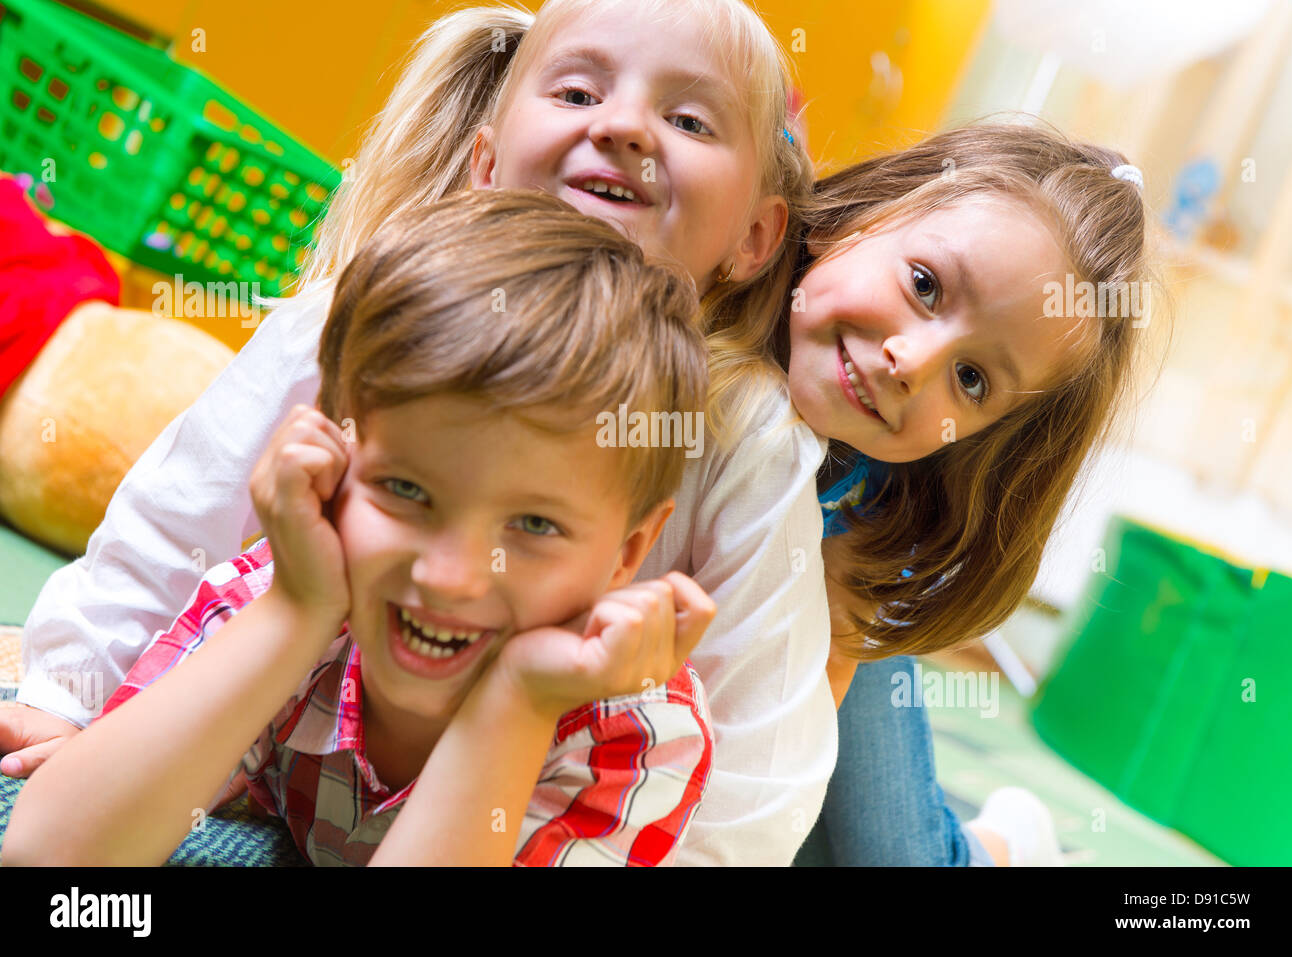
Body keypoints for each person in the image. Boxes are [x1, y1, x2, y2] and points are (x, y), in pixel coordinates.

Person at [1, 0, 837, 866]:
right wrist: (72, 694)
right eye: (580, 92)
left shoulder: (743, 440)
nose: (624, 126)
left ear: (757, 234)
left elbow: (760, 746)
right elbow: (176, 519)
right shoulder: (347, 365)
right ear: (485, 161)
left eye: (689, 118)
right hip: (305, 744)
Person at [2, 189, 718, 866]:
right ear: (335, 465)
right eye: (406, 489)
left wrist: (519, 702)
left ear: (628, 552)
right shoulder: (295, 582)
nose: (451, 575)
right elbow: (47, 856)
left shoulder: (637, 734)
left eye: (534, 524)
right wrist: (297, 611)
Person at [783, 122, 1158, 866]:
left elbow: (780, 757)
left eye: (973, 378)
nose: (911, 365)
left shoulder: (873, 511)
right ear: (855, 216)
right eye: (924, 286)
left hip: (830, 602)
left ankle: (1010, 844)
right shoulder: (711, 303)